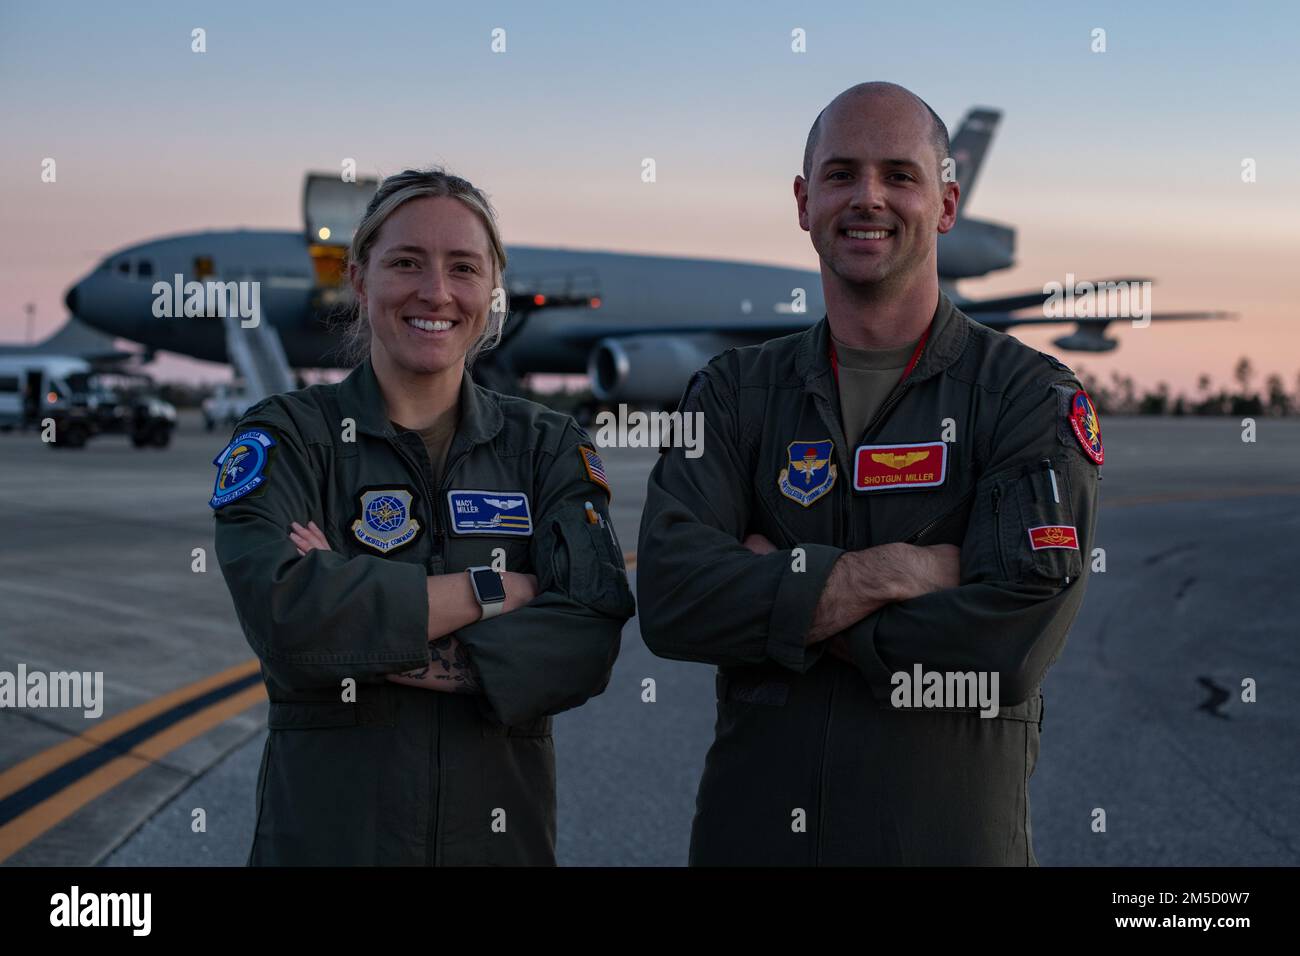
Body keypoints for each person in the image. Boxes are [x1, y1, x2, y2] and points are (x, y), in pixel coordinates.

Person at [637, 82, 1103, 865]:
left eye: (899, 175)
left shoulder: (1029, 395)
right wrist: (895, 573)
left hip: (942, 844)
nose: (868, 198)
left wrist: (776, 596)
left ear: (947, 204)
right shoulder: (732, 392)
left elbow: (1007, 651)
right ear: (802, 199)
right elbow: (673, 600)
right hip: (751, 841)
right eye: (842, 174)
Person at [211, 167, 634, 866]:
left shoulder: (548, 446)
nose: (435, 292)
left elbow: (588, 636)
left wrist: (357, 621)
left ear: (490, 289)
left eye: (462, 267)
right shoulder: (289, 436)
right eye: (405, 262)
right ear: (360, 279)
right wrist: (498, 592)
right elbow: (285, 616)